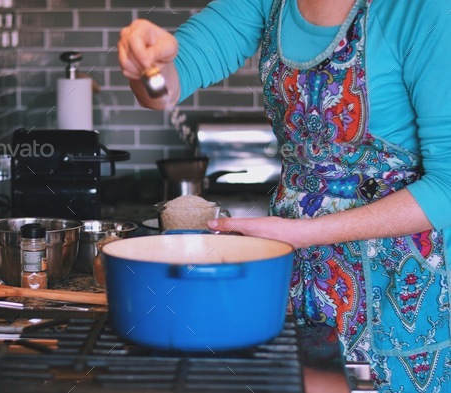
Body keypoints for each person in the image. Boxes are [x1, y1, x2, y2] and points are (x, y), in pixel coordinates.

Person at [117, 0, 451, 391]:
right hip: (295, 277)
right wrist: (148, 63)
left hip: (394, 290)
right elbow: (167, 85)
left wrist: (302, 234)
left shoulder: (423, 9)